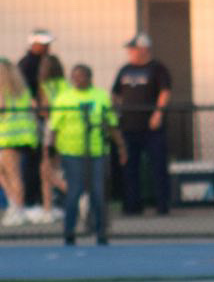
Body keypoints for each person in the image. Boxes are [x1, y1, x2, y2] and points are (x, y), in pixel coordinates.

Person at [49, 64, 124, 246]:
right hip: (72, 152)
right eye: (75, 76)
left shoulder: (100, 97)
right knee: (74, 193)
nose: (78, 80)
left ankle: (101, 232)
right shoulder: (63, 99)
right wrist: (52, 152)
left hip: (97, 152)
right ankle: (69, 232)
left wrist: (121, 147)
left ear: (90, 78)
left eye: (82, 76)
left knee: (98, 193)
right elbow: (54, 128)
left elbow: (111, 124)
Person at [112, 34, 171, 216]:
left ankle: (162, 206)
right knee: (130, 167)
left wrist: (158, 113)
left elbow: (165, 91)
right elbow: (116, 93)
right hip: (129, 126)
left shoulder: (157, 68)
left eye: (133, 48)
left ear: (144, 49)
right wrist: (117, 111)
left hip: (151, 128)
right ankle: (132, 206)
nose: (130, 52)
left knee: (158, 166)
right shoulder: (125, 69)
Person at [0, 59, 39, 227]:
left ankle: (18, 208)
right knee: (1, 170)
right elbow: (33, 107)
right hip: (21, 136)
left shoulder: (1, 92)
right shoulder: (23, 91)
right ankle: (15, 204)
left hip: (9, 137)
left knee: (12, 173)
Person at [16, 30, 53, 219]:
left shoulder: (47, 62)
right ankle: (31, 201)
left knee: (43, 161)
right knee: (32, 161)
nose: (47, 47)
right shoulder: (27, 64)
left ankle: (42, 200)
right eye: (44, 44)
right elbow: (27, 91)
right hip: (32, 120)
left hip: (42, 117)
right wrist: (36, 107)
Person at [37, 52, 68, 221]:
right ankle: (49, 207)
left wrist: (35, 107)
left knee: (46, 170)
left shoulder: (46, 86)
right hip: (67, 129)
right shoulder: (66, 85)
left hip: (52, 128)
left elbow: (44, 110)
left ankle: (70, 193)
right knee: (54, 168)